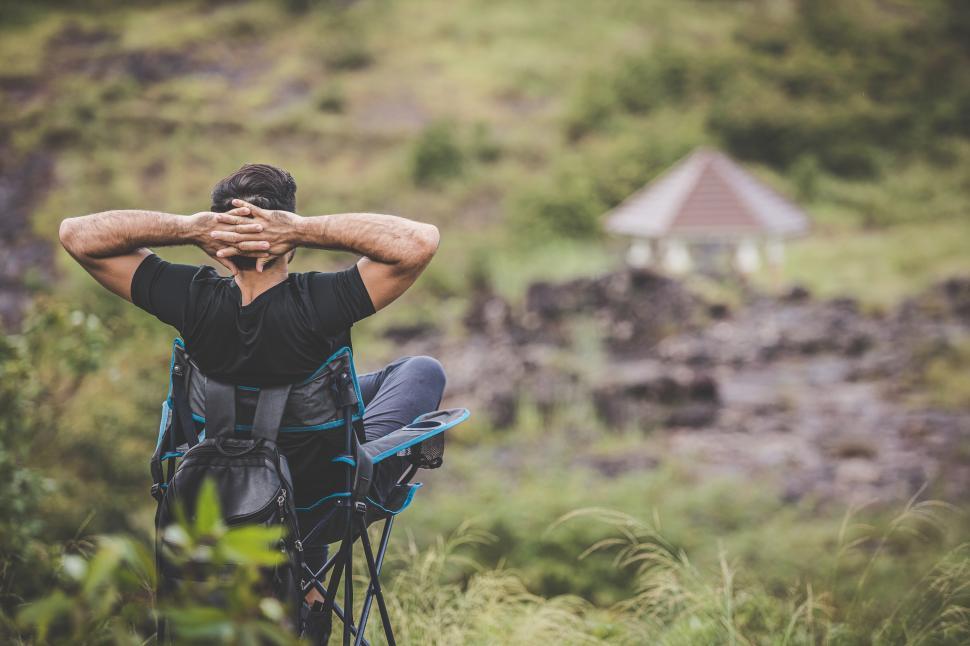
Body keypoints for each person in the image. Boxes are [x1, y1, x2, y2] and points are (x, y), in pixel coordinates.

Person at [58, 162, 447, 607]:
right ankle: (307, 595)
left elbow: (76, 234)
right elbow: (420, 241)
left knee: (286, 431)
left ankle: (296, 585)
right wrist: (302, 229)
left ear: (218, 249)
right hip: (329, 504)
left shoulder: (190, 299)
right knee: (420, 370)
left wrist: (188, 227)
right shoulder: (322, 303)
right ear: (288, 244)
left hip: (224, 501)